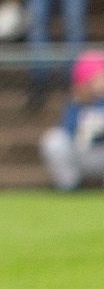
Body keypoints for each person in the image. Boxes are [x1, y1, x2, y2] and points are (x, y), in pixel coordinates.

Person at [41, 50, 104, 191]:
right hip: (81, 153)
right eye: (98, 77)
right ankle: (68, 185)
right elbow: (68, 131)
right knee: (53, 139)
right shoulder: (76, 103)